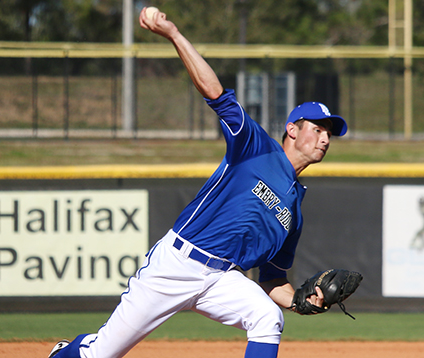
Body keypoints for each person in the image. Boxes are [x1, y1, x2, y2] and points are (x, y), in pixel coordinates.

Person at [47, 7, 348, 358]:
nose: (325, 139)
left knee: (267, 316)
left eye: (329, 133)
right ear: (292, 130)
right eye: (317, 129)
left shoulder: (294, 208)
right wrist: (174, 34)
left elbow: (271, 280)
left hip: (222, 280)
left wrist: (301, 301)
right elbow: (217, 94)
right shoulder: (256, 147)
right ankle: (67, 352)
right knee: (99, 355)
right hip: (176, 266)